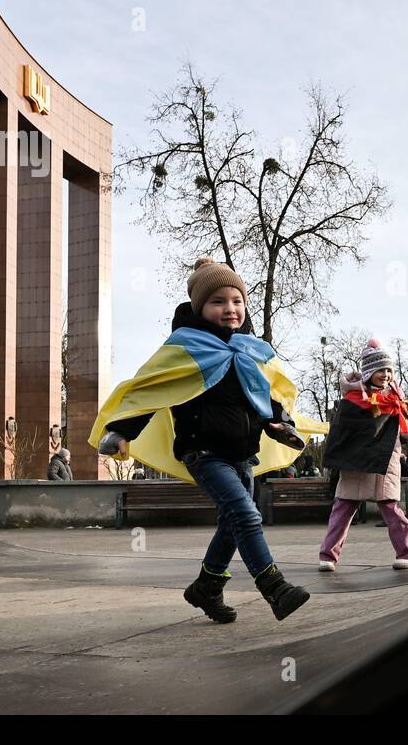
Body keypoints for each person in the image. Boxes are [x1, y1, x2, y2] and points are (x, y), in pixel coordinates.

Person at [94, 258, 313, 623]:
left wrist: (279, 422)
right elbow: (153, 391)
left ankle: (206, 588)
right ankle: (274, 587)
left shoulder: (247, 351)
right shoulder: (185, 350)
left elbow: (263, 398)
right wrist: (121, 432)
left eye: (237, 300)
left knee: (231, 522)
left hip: (244, 455)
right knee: (246, 514)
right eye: (218, 301)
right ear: (200, 307)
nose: (230, 308)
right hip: (204, 452)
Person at [318, 339, 408, 571]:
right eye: (380, 370)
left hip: (385, 463)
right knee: (342, 509)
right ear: (368, 371)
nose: (386, 374)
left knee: (391, 510)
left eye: (389, 370)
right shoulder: (351, 401)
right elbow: (341, 434)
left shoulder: (393, 400)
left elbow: (402, 432)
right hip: (355, 465)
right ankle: (328, 555)